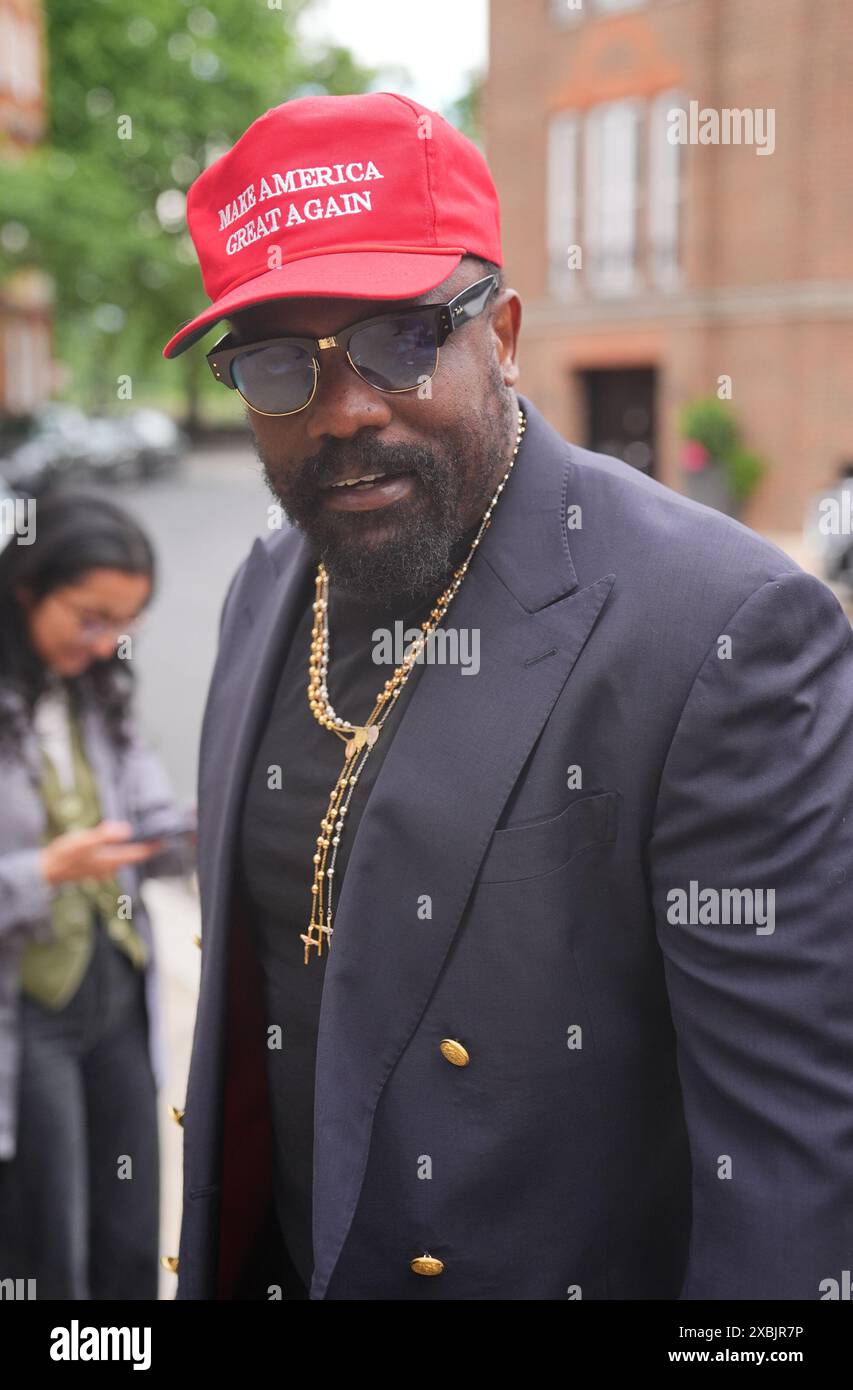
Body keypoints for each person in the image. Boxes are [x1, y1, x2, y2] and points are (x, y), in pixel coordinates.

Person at [162, 92, 853, 1301]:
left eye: (400, 337)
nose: (346, 408)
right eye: (278, 365)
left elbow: (791, 1162)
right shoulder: (269, 579)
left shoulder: (721, 627)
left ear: (507, 331)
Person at [0, 488, 196, 1299]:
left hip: (114, 989)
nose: (108, 641)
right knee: (48, 1246)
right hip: (25, 1010)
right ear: (25, 589)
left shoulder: (97, 690)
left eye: (125, 624)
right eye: (89, 618)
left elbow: (151, 819)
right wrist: (41, 872)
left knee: (128, 1228)